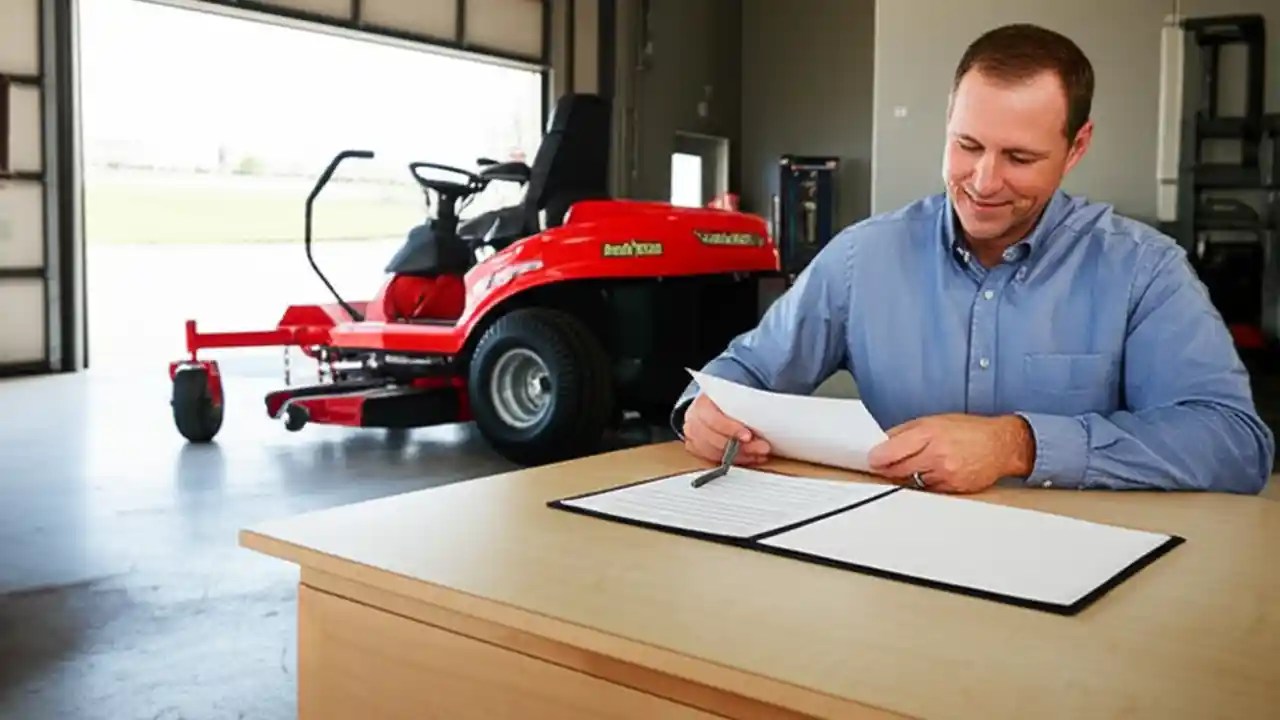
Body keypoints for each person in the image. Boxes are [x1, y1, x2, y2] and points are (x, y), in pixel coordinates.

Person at [673, 23, 1274, 494]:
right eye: (967, 146)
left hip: (1080, 575)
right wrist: (703, 411)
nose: (984, 181)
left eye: (1018, 157)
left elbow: (1234, 443)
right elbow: (743, 373)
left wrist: (1021, 446)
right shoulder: (863, 258)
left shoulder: (1145, 271)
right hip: (887, 562)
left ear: (1076, 148)